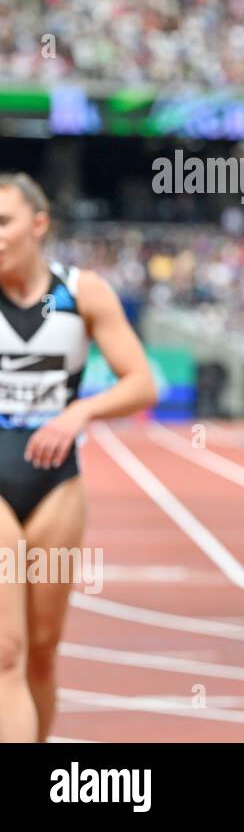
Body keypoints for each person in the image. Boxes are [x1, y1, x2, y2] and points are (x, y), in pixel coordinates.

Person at [0, 173, 157, 742]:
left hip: (55, 485)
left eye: (3, 223)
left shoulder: (82, 290)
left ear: (38, 225)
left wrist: (78, 414)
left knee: (42, 649)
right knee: (7, 652)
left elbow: (141, 383)